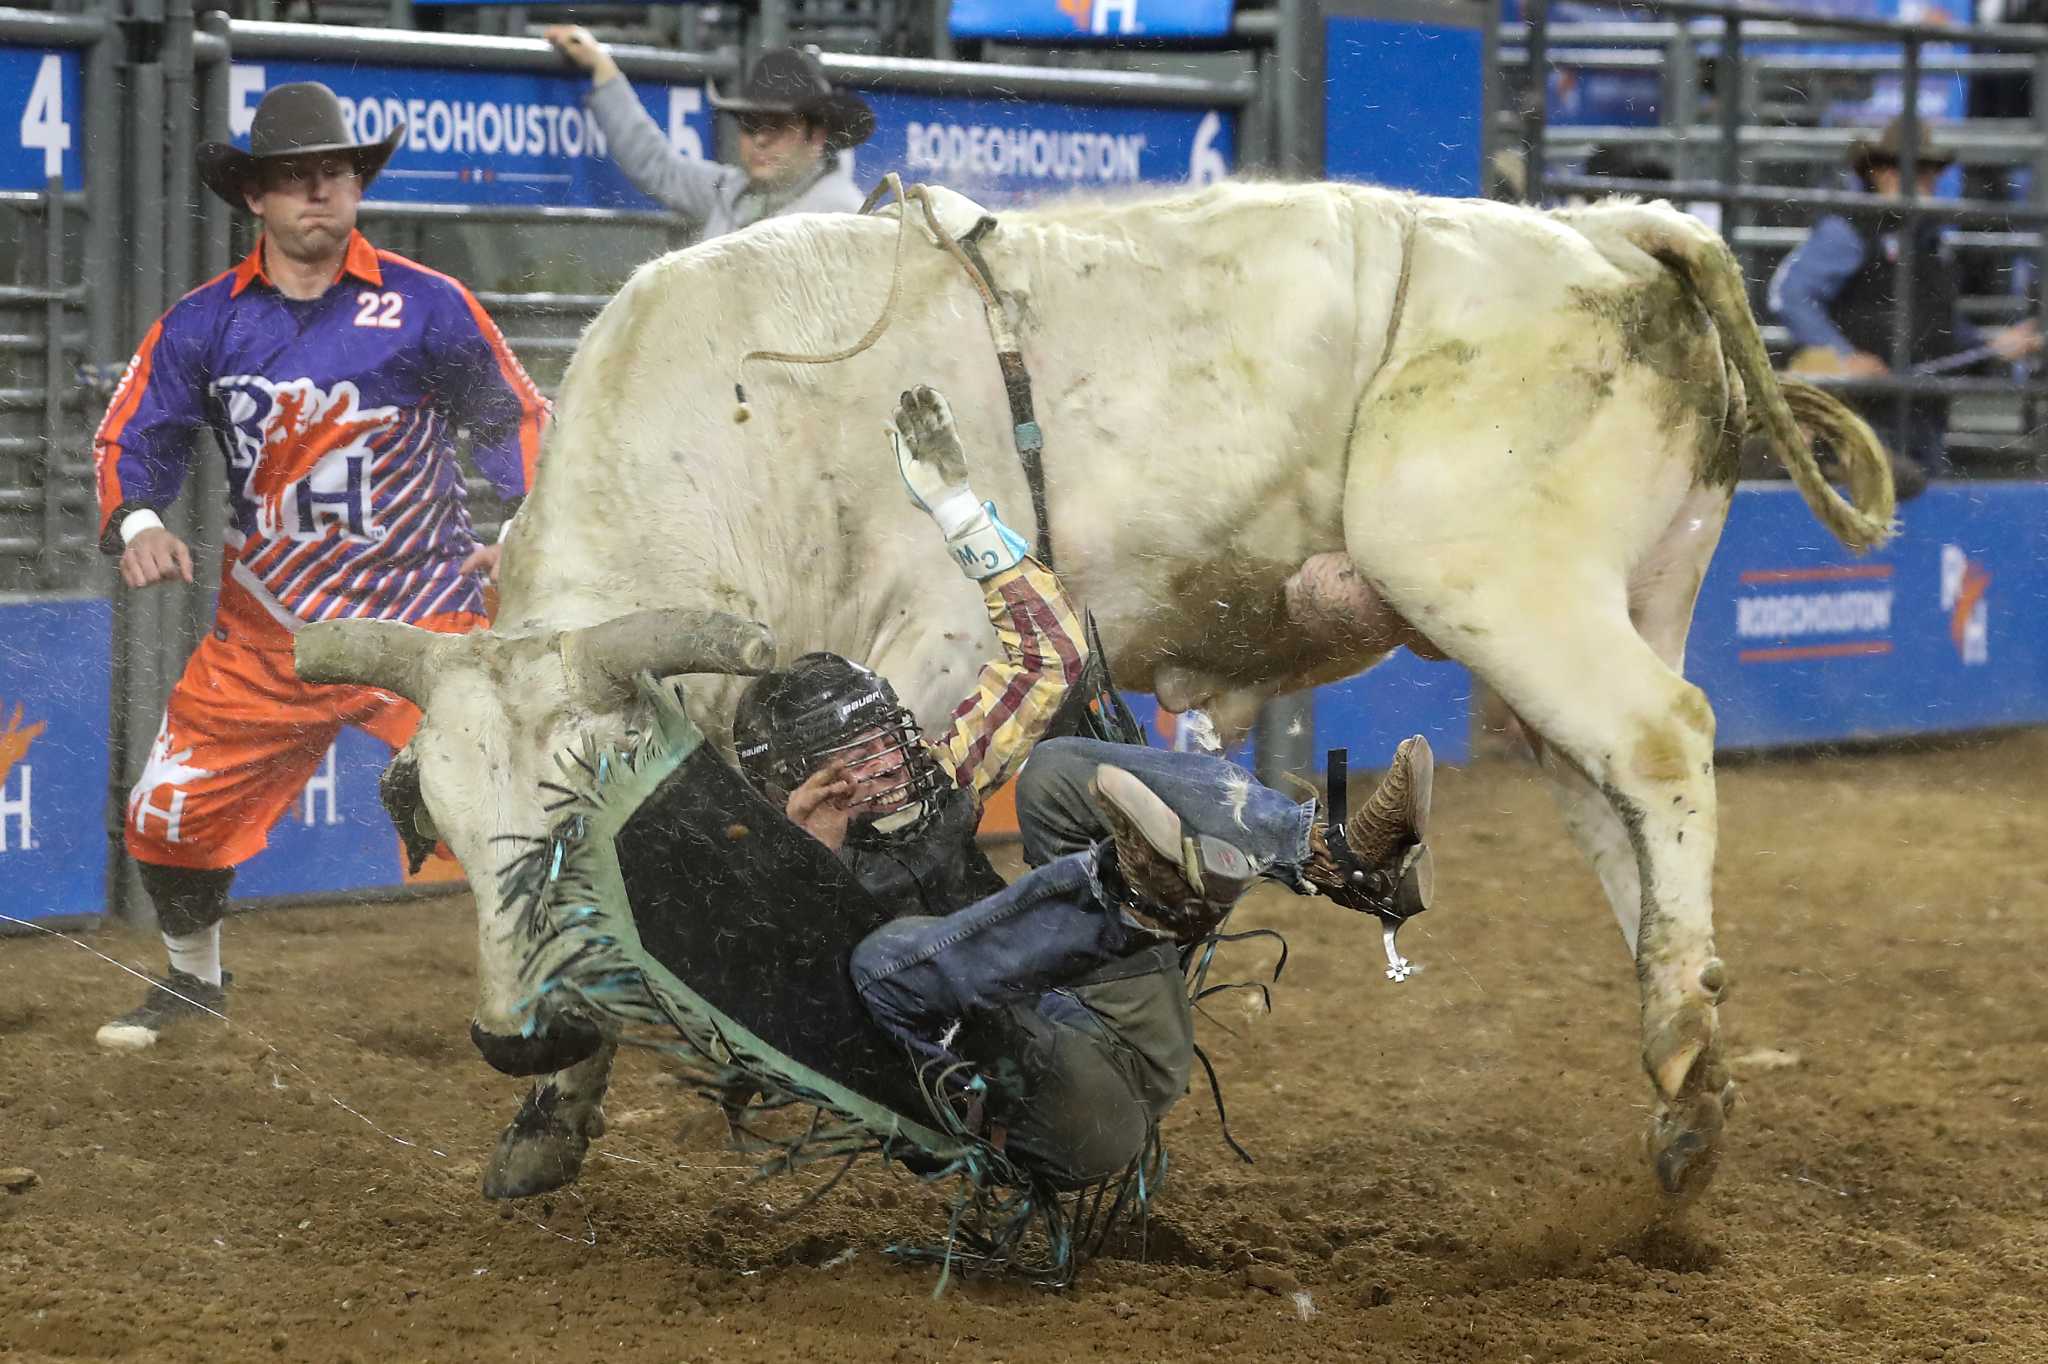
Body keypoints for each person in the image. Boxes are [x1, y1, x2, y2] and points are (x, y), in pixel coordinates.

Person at [734, 385, 1435, 1188]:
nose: (885, 768)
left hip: (1125, 1027)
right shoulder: (770, 889)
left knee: (1067, 767)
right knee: (883, 958)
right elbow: (785, 1015)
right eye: (847, 763)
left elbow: (1047, 659)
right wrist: (807, 868)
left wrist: (961, 512)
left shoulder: (939, 779)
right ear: (793, 786)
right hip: (1051, 1106)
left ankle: (1331, 854)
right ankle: (1132, 891)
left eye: (881, 742)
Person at [91, 82, 551, 1050]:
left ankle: (558, 991)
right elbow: (135, 431)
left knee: (528, 799)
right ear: (255, 196)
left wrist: (523, 528)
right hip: (272, 630)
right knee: (164, 815)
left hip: (426, 616)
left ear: (356, 186)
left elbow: (513, 418)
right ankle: (193, 984)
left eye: (334, 174)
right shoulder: (204, 323)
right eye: (295, 178)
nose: (318, 193)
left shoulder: (427, 305)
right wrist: (136, 518)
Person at [1768, 117, 2041, 490]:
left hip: (1919, 409)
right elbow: (1791, 293)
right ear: (1878, 172)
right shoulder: (1853, 230)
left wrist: (1988, 348)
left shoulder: (1929, 239)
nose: (1923, 178)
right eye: (1907, 167)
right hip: (1864, 408)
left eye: (1928, 169)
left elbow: (1940, 321)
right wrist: (1843, 358)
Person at [545, 30, 872, 241]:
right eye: (749, 123)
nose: (759, 139)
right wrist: (603, 68)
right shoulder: (730, 192)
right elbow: (659, 167)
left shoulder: (846, 217)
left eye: (777, 125)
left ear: (816, 136)